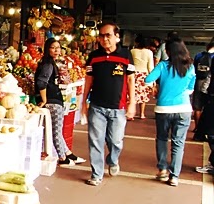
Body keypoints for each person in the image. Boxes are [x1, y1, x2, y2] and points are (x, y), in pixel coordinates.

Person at [81, 23, 136, 186]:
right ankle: (96, 174)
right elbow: (89, 80)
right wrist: (83, 103)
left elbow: (131, 79)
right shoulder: (93, 56)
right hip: (97, 106)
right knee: (95, 141)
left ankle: (113, 160)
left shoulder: (126, 55)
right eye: (101, 36)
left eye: (108, 35)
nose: (104, 39)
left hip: (118, 108)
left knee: (116, 141)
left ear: (117, 37)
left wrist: (132, 103)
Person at [145, 39, 195, 186]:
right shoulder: (190, 67)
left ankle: (162, 170)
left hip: (163, 109)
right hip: (183, 109)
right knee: (178, 143)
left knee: (162, 138)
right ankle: (174, 176)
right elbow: (190, 89)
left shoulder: (162, 65)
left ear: (167, 52)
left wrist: (155, 87)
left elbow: (148, 79)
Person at [34, 38, 84, 166]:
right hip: (52, 101)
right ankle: (63, 158)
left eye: (58, 47)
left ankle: (68, 153)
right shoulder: (48, 64)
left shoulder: (50, 63)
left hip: (54, 100)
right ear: (47, 49)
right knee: (56, 131)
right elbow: (41, 83)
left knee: (57, 130)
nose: (56, 50)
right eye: (53, 48)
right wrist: (44, 100)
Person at [130, 35, 155, 119]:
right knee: (143, 95)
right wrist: (153, 80)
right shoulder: (149, 52)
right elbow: (150, 67)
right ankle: (142, 114)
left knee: (132, 94)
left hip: (134, 74)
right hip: (144, 75)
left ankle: (132, 114)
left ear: (136, 42)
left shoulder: (132, 51)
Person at [192, 38, 214, 133]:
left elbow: (193, 69)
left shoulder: (199, 55)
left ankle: (197, 128)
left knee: (197, 107)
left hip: (199, 82)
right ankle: (207, 129)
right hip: (211, 83)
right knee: (209, 107)